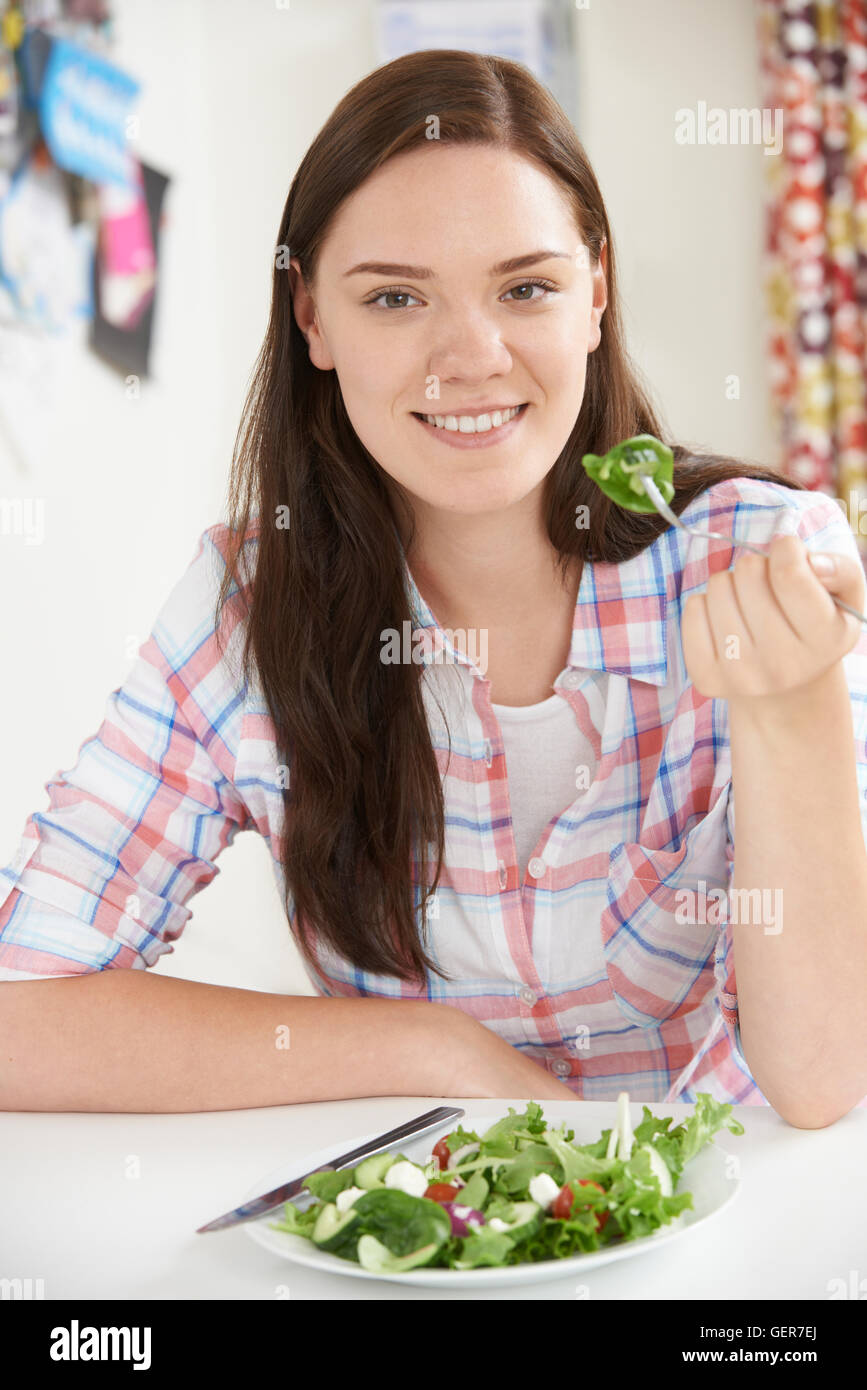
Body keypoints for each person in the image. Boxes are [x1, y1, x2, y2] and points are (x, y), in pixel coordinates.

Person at [2, 50, 866, 1125]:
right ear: (313, 320)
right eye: (397, 297)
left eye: (526, 287)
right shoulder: (248, 605)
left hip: (718, 1233)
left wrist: (792, 709)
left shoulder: (754, 557)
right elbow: (19, 1011)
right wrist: (432, 1048)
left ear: (595, 295)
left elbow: (823, 1079)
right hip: (425, 1247)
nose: (473, 355)